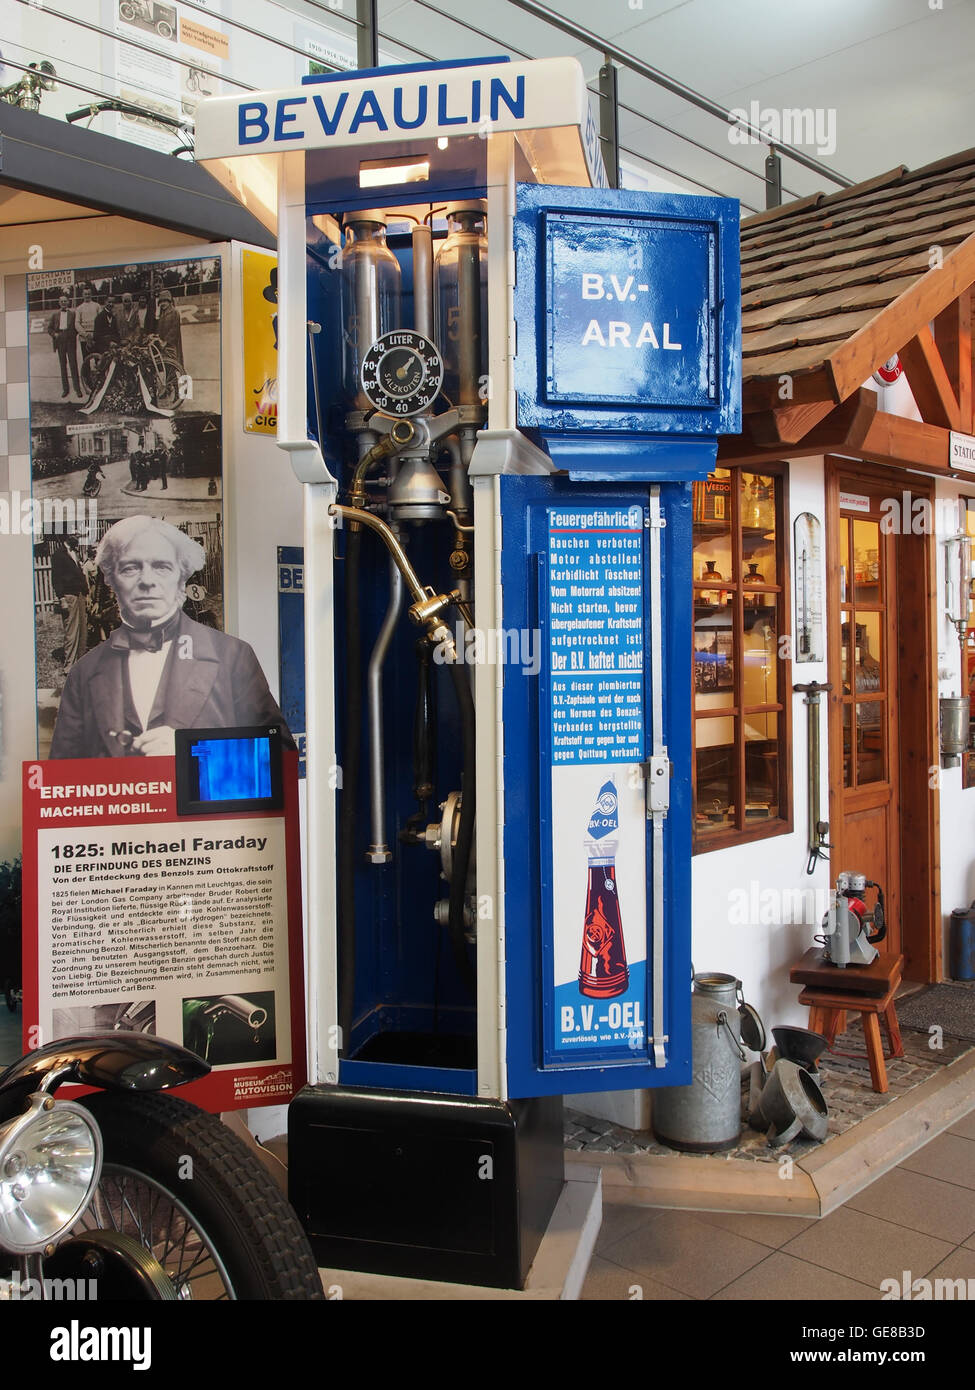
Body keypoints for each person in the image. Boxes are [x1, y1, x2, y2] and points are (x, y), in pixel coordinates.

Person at [50, 516, 294, 760]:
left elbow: (283, 759)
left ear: (181, 577)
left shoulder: (232, 657)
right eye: (130, 568)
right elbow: (60, 783)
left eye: (162, 567)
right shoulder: (83, 674)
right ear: (111, 579)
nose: (147, 581)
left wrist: (192, 751)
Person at [49, 535, 87, 674]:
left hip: (80, 594)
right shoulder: (58, 555)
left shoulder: (74, 552)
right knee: (71, 631)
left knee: (82, 630)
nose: (78, 537)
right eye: (75, 534)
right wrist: (61, 598)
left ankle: (81, 663)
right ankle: (69, 666)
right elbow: (56, 579)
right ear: (67, 537)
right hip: (69, 596)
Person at [47, 294, 81, 399]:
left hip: (70, 340)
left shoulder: (73, 314)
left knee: (73, 365)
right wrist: (55, 334)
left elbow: (76, 327)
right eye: (61, 301)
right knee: (63, 365)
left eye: (65, 301)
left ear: (68, 302)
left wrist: (72, 335)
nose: (63, 303)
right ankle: (65, 389)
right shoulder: (54, 315)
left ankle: (77, 389)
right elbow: (49, 329)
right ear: (59, 303)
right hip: (60, 339)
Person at [155, 290, 184, 369]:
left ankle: (174, 380)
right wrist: (158, 336)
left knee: (173, 364)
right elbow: (160, 328)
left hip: (171, 344)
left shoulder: (174, 312)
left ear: (169, 301)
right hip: (163, 345)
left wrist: (166, 341)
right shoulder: (162, 314)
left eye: (165, 301)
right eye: (161, 302)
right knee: (167, 366)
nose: (163, 304)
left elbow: (175, 329)